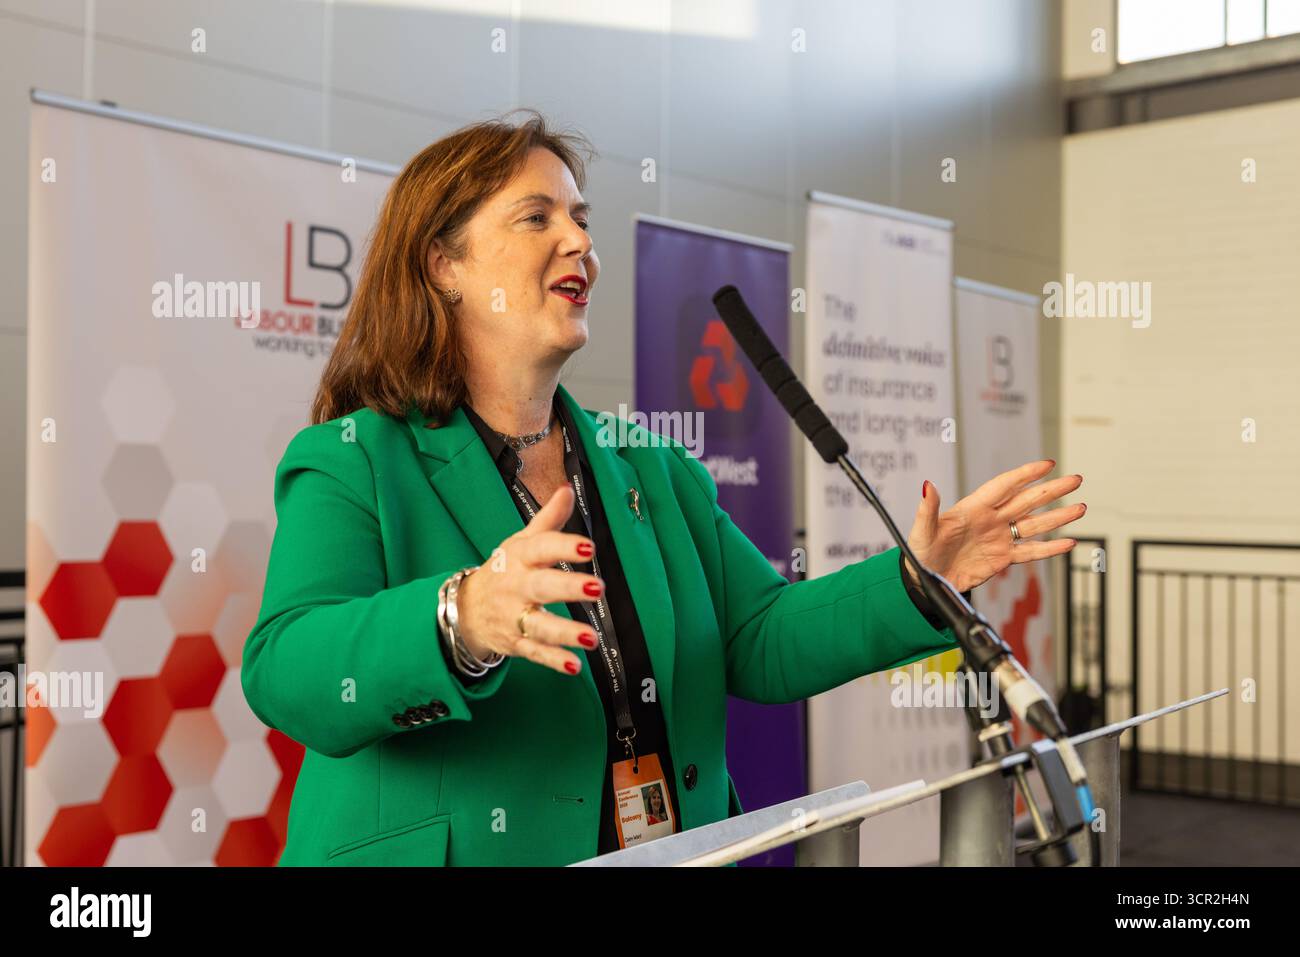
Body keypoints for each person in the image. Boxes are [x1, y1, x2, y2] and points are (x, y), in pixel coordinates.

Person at [241, 110, 1085, 867]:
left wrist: (916, 578)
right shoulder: (354, 457)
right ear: (444, 264)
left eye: (581, 219)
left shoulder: (649, 466)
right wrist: (460, 616)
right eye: (538, 218)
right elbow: (287, 670)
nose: (579, 243)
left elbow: (759, 635)